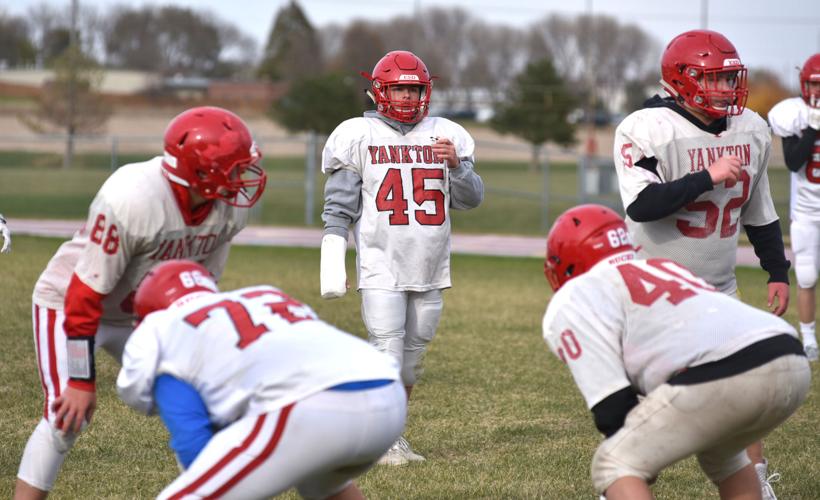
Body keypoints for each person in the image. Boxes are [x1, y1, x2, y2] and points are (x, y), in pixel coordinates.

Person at [15, 106, 267, 499]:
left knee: (202, 408)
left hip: (140, 315)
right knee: (65, 419)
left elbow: (199, 287)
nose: (243, 179)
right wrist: (81, 379)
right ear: (201, 172)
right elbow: (85, 292)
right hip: (69, 304)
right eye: (234, 168)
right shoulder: (133, 196)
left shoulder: (229, 207)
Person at [612, 29, 791, 498]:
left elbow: (760, 211)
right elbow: (644, 205)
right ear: (681, 80)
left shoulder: (749, 128)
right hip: (656, 292)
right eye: (713, 80)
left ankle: (757, 484)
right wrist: (705, 176)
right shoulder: (645, 127)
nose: (726, 90)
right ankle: (623, 484)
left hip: (720, 289)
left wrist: (777, 271)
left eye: (730, 79)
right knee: (651, 410)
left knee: (744, 391)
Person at [541, 204, 811, 500]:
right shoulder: (661, 266)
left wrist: (636, 459)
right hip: (788, 353)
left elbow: (613, 408)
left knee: (614, 463)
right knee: (725, 457)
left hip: (726, 370)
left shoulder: (577, 294)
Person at [117, 259, 405, 499]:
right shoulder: (263, 296)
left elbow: (193, 442)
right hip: (387, 391)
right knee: (326, 484)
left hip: (312, 406)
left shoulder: (161, 327)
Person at [319, 50, 484, 465]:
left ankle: (389, 433)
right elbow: (339, 206)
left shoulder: (446, 135)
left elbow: (471, 199)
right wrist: (333, 255)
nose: (408, 97)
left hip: (430, 266)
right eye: (399, 88)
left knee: (409, 366)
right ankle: (381, 440)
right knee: (385, 352)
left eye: (414, 88)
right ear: (379, 91)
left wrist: (458, 168)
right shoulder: (358, 134)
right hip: (381, 263)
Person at [767, 53, 820, 362]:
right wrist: (813, 129)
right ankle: (809, 338)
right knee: (808, 275)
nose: (818, 92)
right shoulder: (793, 115)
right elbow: (793, 161)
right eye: (815, 84)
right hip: (806, 212)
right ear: (804, 84)